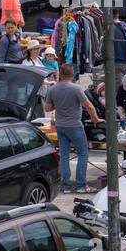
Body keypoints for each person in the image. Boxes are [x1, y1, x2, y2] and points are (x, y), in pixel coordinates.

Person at [46, 63, 102, 192]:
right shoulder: (76, 89)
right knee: (83, 154)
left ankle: (65, 186)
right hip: (75, 125)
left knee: (64, 155)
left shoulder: (53, 89)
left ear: (60, 73)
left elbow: (47, 108)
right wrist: (95, 119)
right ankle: (81, 185)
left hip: (60, 125)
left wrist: (59, 105)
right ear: (72, 75)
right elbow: (89, 106)